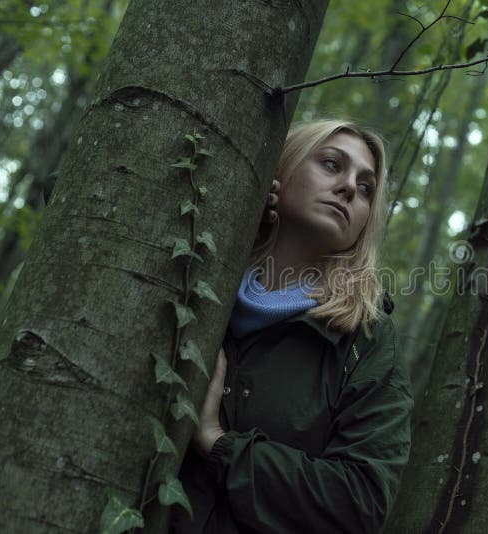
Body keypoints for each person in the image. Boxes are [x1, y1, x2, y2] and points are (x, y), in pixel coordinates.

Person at [170, 119, 413, 533]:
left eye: (367, 187)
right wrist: (232, 206)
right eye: (332, 164)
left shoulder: (365, 337)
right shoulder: (194, 259)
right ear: (278, 172)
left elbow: (361, 502)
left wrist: (218, 443)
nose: (350, 187)